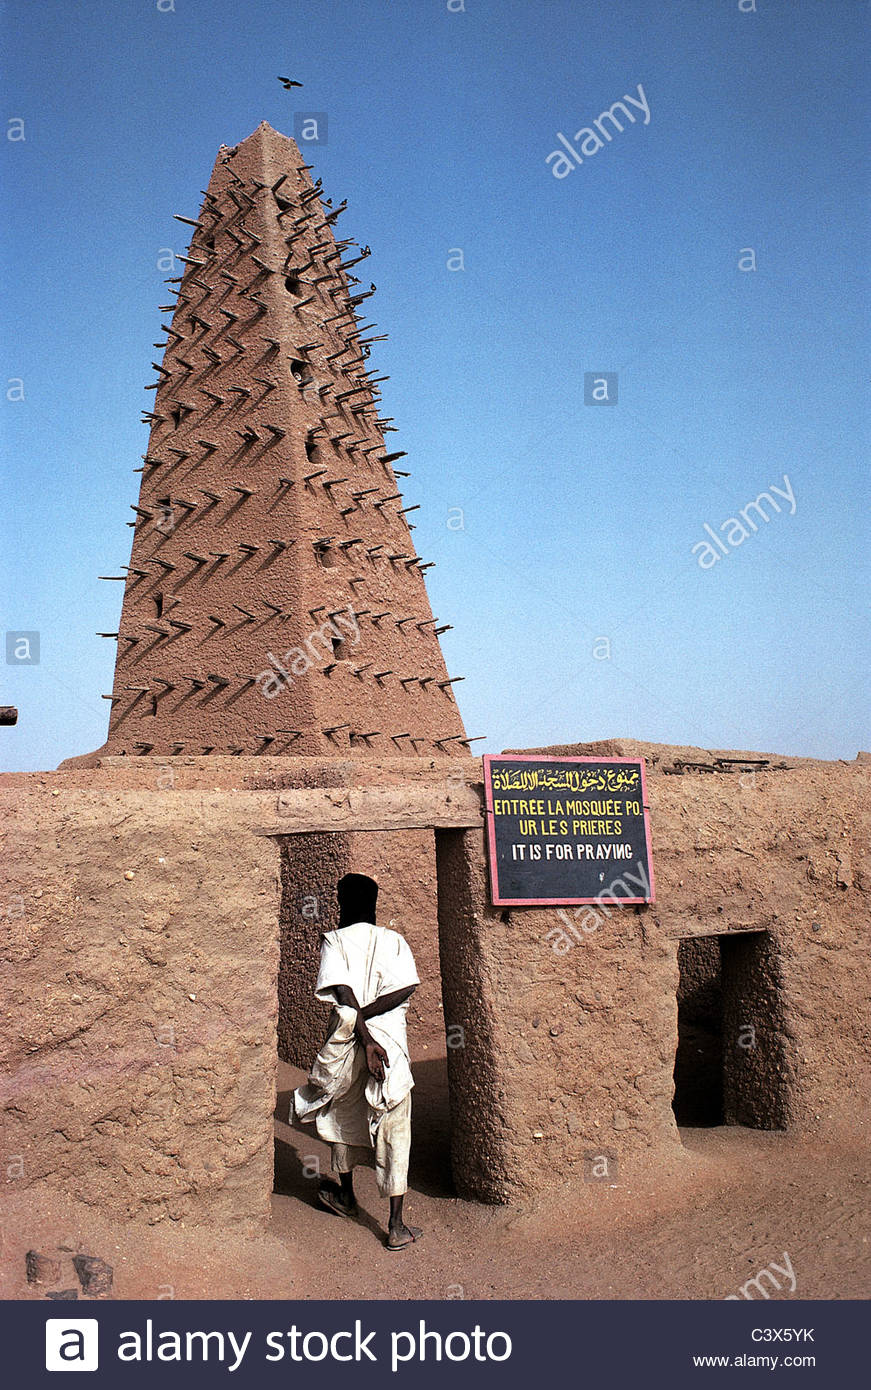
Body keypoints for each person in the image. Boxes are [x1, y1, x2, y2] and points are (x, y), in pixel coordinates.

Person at [292, 873, 422, 1250]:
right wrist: (374, 1034)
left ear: (342, 902)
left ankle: (347, 1197)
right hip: (391, 1047)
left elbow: (343, 990)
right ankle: (395, 1226)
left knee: (342, 1116)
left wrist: (362, 1033)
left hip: (352, 1042)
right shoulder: (394, 941)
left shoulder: (334, 941)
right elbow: (405, 988)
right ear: (374, 903)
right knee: (396, 1126)